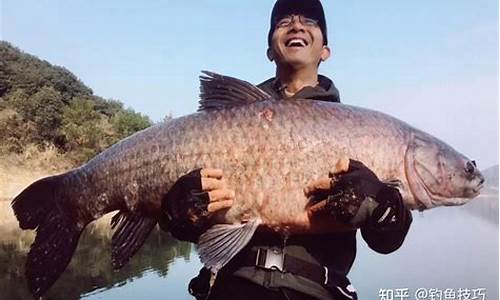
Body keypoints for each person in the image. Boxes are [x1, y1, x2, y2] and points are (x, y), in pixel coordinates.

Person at [158, 0, 412, 299]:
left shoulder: (363, 132)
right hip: (232, 285)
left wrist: (381, 201)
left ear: (325, 50)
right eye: (283, 22)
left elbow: (387, 241)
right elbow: (184, 228)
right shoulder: (229, 124)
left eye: (310, 21)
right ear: (269, 51)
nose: (296, 25)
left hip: (316, 291)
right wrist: (177, 213)